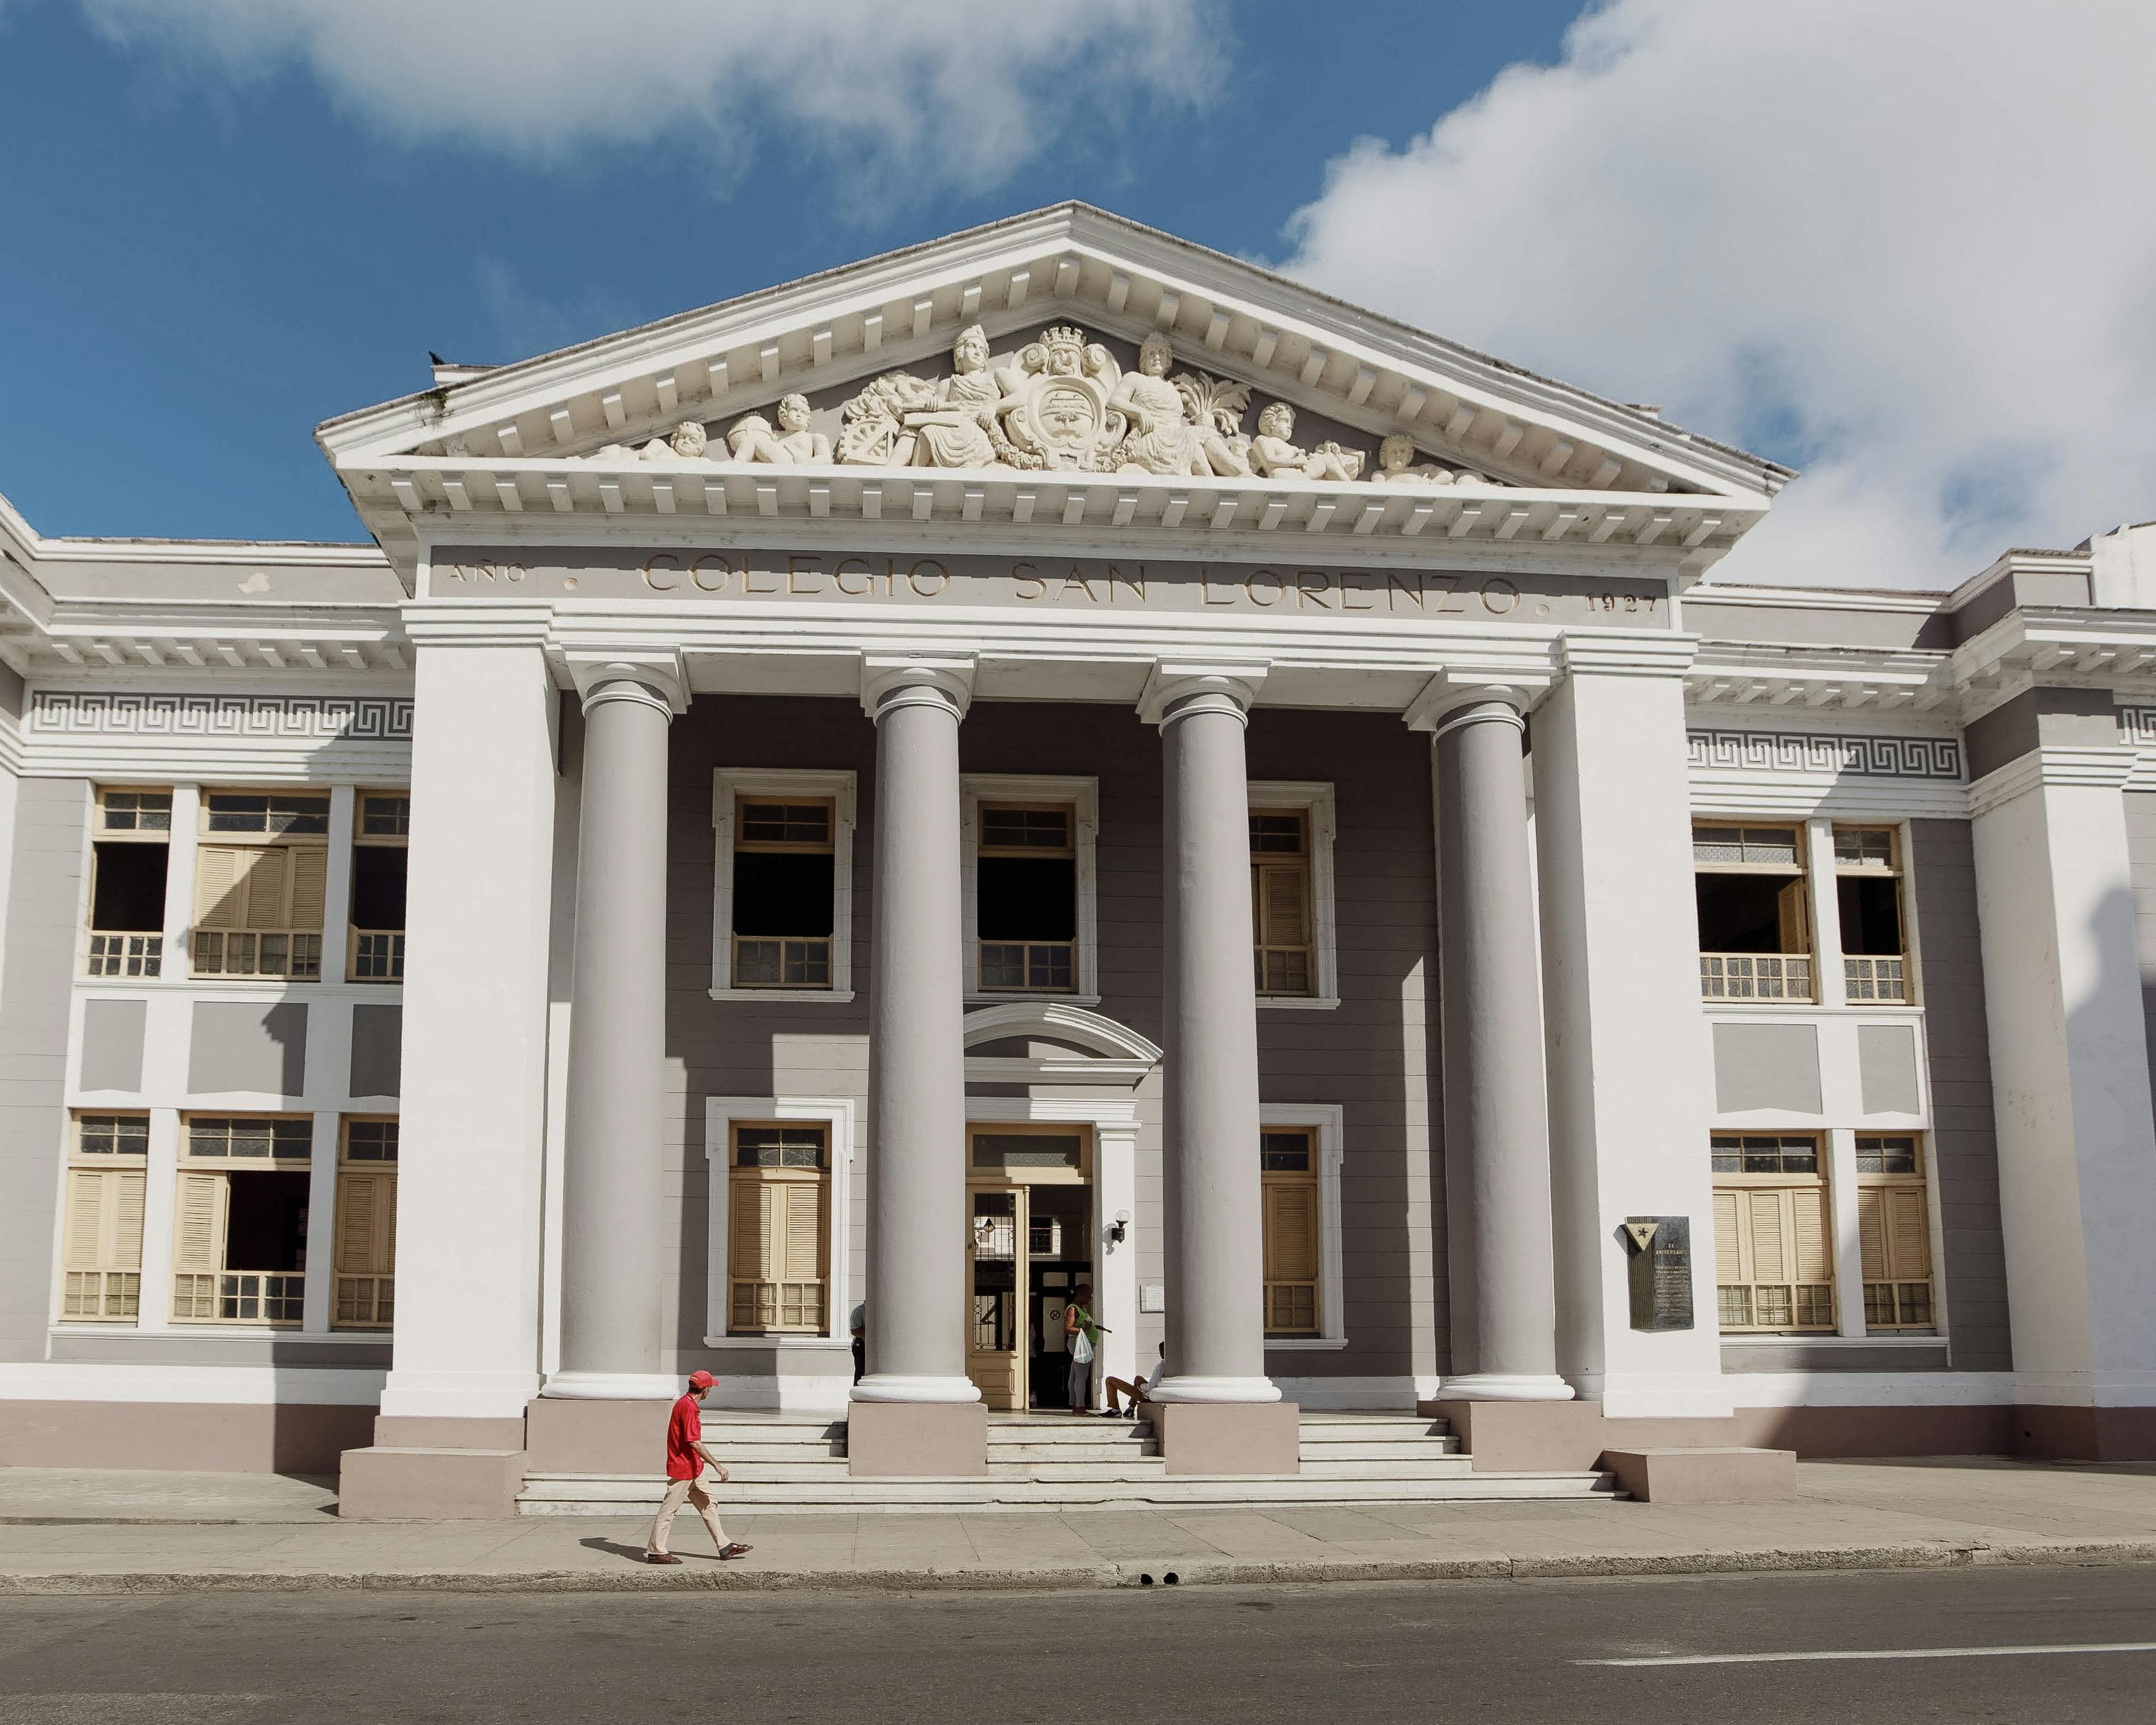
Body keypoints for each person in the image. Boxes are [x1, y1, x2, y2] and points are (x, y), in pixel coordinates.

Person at [644, 1369, 751, 1565]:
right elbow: (693, 1441)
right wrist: (718, 1466)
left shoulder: (684, 1403)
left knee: (708, 1504)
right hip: (683, 1468)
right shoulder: (689, 1408)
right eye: (711, 1387)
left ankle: (724, 1545)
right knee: (669, 1510)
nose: (711, 1390)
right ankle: (656, 1551)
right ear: (706, 1389)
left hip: (694, 1467)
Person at [1063, 1282, 1104, 1415]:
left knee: (1075, 1375)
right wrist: (1085, 1329)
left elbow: (1083, 1326)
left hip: (1083, 1344)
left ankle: (1076, 1406)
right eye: (1088, 1295)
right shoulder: (1073, 1309)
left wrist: (1094, 1328)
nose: (1090, 1298)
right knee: (1081, 1376)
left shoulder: (1082, 1309)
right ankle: (1080, 1407)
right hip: (1080, 1345)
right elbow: (1068, 1329)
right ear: (1079, 1295)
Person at [1104, 1342, 1165, 1418]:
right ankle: (1131, 1408)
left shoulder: (1161, 1367)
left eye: (1161, 1350)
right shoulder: (1172, 1365)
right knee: (1138, 1378)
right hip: (1155, 1394)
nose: (1160, 1353)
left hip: (1148, 1396)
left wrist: (1141, 1387)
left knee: (1110, 1380)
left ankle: (1115, 1410)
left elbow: (1151, 1387)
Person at [850, 1301, 865, 1385]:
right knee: (860, 1370)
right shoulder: (859, 1311)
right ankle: (858, 1388)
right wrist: (872, 1331)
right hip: (861, 1345)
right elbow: (854, 1331)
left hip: (874, 1346)